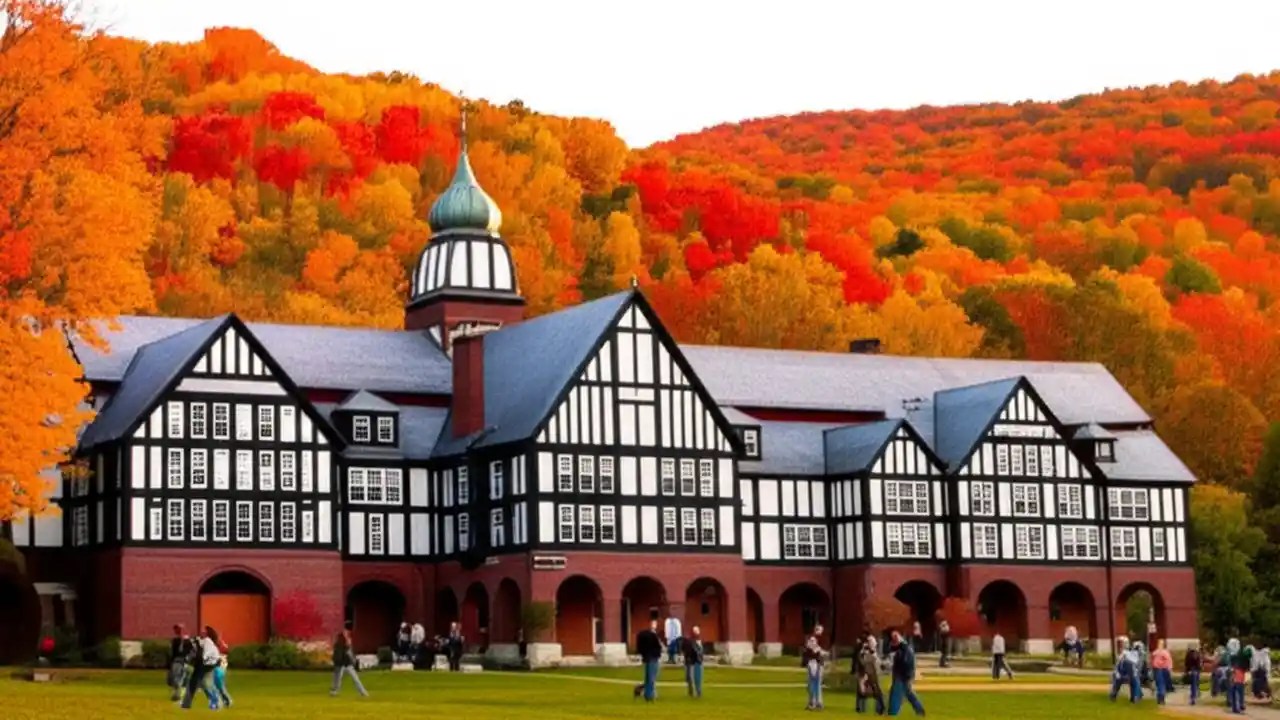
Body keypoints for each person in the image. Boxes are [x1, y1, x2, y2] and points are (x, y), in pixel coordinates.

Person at [180, 627, 221, 709]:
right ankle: (186, 703)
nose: (201, 632)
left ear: (207, 634)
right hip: (203, 664)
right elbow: (195, 643)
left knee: (199, 683)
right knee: (196, 682)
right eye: (201, 631)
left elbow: (207, 654)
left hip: (207, 664)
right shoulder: (202, 640)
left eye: (204, 632)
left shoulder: (208, 641)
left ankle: (215, 701)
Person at [887, 630, 925, 716]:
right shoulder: (904, 648)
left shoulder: (905, 650)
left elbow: (905, 663)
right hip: (905, 675)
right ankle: (920, 710)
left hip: (903, 676)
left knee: (896, 694)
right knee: (909, 694)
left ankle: (892, 713)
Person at [330, 623, 369, 698]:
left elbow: (348, 652)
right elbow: (339, 652)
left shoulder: (347, 639)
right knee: (337, 679)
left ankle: (363, 692)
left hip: (347, 663)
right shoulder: (341, 639)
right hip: (341, 663)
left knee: (355, 679)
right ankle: (334, 691)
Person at [854, 635, 886, 715]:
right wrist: (863, 653)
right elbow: (863, 661)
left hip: (874, 674)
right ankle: (861, 707)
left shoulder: (872, 652)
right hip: (869, 673)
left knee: (877, 691)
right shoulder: (867, 651)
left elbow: (871, 660)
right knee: (864, 690)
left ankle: (881, 707)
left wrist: (865, 653)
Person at [636, 619, 663, 702]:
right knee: (652, 677)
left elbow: (640, 647)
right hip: (653, 658)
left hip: (647, 658)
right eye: (654, 624)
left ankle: (647, 694)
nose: (655, 625)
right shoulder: (652, 635)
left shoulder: (642, 634)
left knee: (648, 677)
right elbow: (658, 646)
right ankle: (649, 695)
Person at [1109, 638, 1140, 703]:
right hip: (1122, 672)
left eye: (1126, 643)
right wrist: (1117, 673)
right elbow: (1118, 664)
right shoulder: (1123, 654)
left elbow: (1135, 664)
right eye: (1124, 644)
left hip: (1130, 673)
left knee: (1134, 681)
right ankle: (1113, 695)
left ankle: (1133, 698)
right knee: (1117, 680)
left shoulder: (1134, 653)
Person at [168, 624, 193, 703]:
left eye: (178, 629)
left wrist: (188, 659)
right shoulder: (176, 640)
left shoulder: (187, 641)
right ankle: (177, 694)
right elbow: (173, 652)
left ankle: (178, 694)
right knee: (176, 678)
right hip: (177, 661)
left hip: (181, 661)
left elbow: (190, 651)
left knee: (179, 678)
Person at [802, 633, 828, 711]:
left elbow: (821, 659)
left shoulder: (818, 650)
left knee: (817, 686)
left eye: (813, 641)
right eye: (811, 641)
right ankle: (812, 702)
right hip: (811, 669)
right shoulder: (808, 650)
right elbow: (805, 660)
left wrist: (818, 653)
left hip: (818, 669)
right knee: (811, 686)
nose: (812, 642)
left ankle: (818, 703)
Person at [683, 625, 704, 698]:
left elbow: (701, 651)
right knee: (690, 678)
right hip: (691, 662)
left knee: (698, 678)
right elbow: (687, 651)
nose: (697, 632)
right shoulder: (689, 641)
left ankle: (698, 692)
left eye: (697, 630)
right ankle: (691, 692)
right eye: (695, 630)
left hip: (698, 661)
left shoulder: (700, 640)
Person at [1229, 639, 1250, 714]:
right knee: (1239, 690)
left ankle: (1236, 707)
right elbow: (1246, 665)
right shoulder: (1242, 654)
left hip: (1236, 672)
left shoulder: (1233, 654)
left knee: (1235, 690)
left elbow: (1231, 664)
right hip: (1239, 673)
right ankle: (1239, 705)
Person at [1151, 639, 1173, 705]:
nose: (1160, 645)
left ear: (1163, 645)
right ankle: (1160, 698)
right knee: (1159, 684)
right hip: (1157, 669)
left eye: (1161, 644)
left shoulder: (1164, 652)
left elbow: (1169, 661)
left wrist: (1169, 668)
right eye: (1159, 643)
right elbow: (1152, 660)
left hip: (1163, 669)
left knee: (1161, 684)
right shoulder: (1156, 652)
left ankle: (1161, 698)